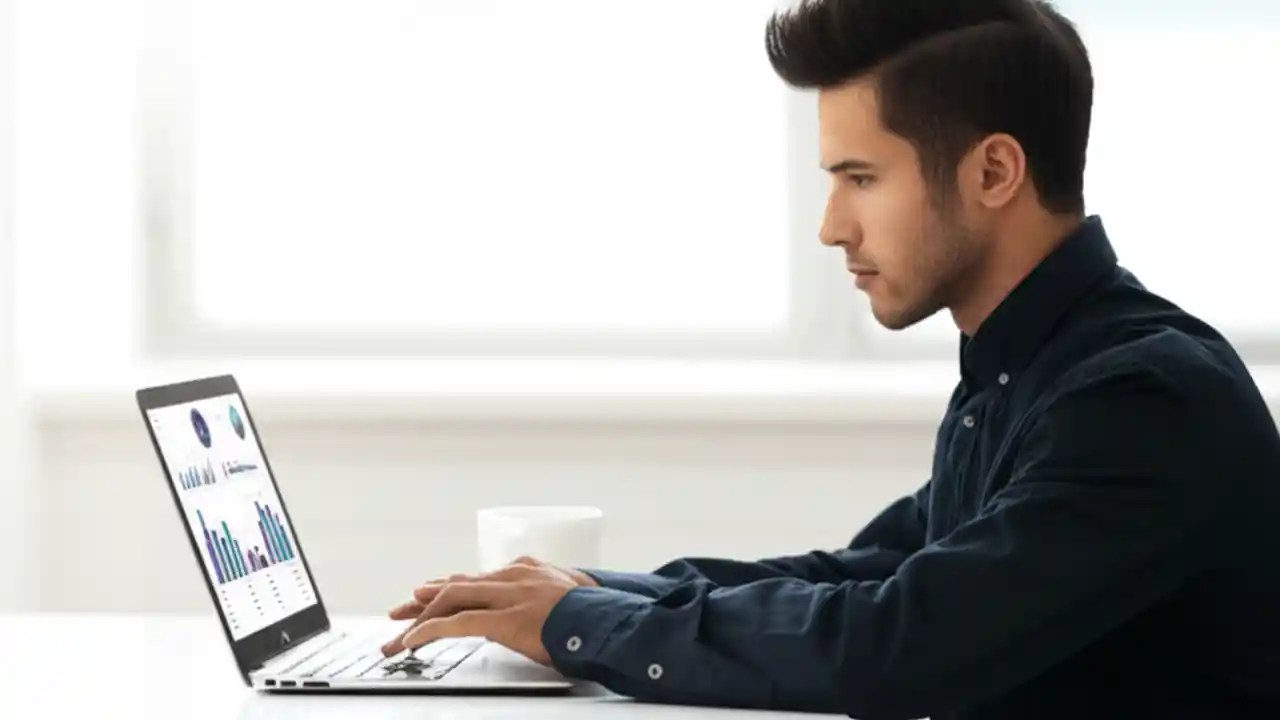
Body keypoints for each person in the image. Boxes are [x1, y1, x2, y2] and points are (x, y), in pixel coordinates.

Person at [380, 1, 1280, 717]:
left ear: (994, 172)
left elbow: (899, 646)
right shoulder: (1025, 373)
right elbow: (871, 575)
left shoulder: (1141, 400)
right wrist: (591, 593)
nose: (831, 227)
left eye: (861, 179)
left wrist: (584, 625)